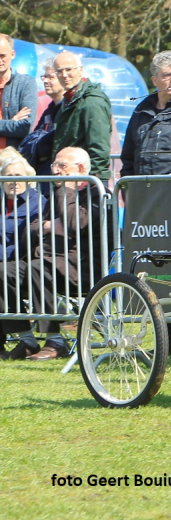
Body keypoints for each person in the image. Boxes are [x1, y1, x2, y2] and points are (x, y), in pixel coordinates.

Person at [2, 147, 104, 360]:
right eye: (54, 165)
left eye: (62, 166)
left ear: (81, 168)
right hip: (48, 259)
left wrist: (66, 191)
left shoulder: (96, 192)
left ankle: (55, 340)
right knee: (2, 270)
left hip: (79, 264)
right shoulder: (56, 194)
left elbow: (75, 223)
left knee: (38, 268)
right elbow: (30, 229)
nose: (56, 171)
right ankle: (26, 338)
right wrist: (48, 225)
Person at [120, 51, 171, 176]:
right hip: (143, 190)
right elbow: (128, 156)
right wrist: (128, 189)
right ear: (154, 80)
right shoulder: (141, 110)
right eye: (167, 75)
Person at [0, 154, 48, 360]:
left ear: (28, 179)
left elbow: (28, 242)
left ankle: (27, 338)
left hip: (26, 261)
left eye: (18, 175)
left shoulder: (39, 203)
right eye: (7, 176)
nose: (13, 181)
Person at [50, 51, 113, 181]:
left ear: (81, 70)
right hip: (69, 178)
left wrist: (93, 183)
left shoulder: (92, 102)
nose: (64, 75)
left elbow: (99, 149)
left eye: (68, 69)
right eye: (59, 71)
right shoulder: (69, 100)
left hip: (86, 183)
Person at [18, 60, 64, 175]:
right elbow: (33, 138)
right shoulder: (49, 110)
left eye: (50, 77)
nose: (46, 81)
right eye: (44, 77)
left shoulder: (67, 109)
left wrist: (39, 146)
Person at [0, 33, 38, 150]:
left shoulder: (26, 84)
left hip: (13, 161)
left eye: (2, 56)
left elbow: (25, 127)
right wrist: (12, 122)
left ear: (12, 55)